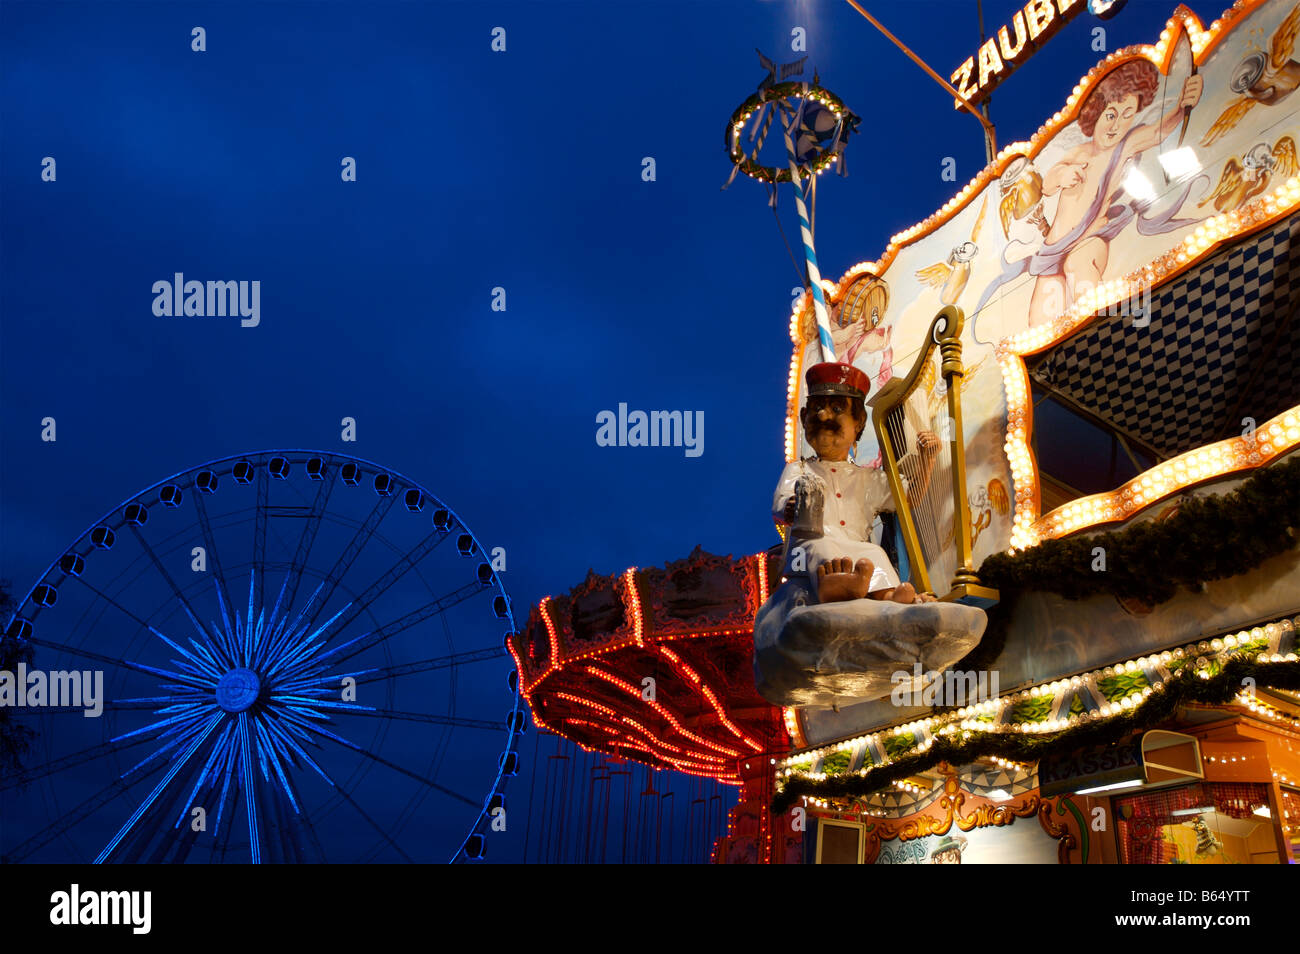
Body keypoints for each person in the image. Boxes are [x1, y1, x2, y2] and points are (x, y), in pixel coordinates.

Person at [970, 59, 1204, 326]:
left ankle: (1111, 335)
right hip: (1053, 249)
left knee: (1080, 272)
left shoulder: (1125, 146)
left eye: (1128, 114)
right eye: (1111, 114)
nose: (1116, 125)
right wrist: (1063, 176)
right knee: (1040, 321)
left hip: (1090, 237)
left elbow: (1157, 132)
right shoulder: (1079, 153)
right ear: (1097, 114)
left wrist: (1182, 106)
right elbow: (1047, 185)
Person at [773, 361, 939, 605]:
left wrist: (928, 460)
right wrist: (789, 507)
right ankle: (834, 586)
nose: (823, 415)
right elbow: (779, 504)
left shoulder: (868, 479)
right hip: (808, 550)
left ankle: (889, 595)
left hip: (854, 548)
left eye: (836, 408)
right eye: (816, 408)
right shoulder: (798, 469)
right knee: (822, 548)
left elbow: (909, 498)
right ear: (804, 417)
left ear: (858, 422)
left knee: (874, 553)